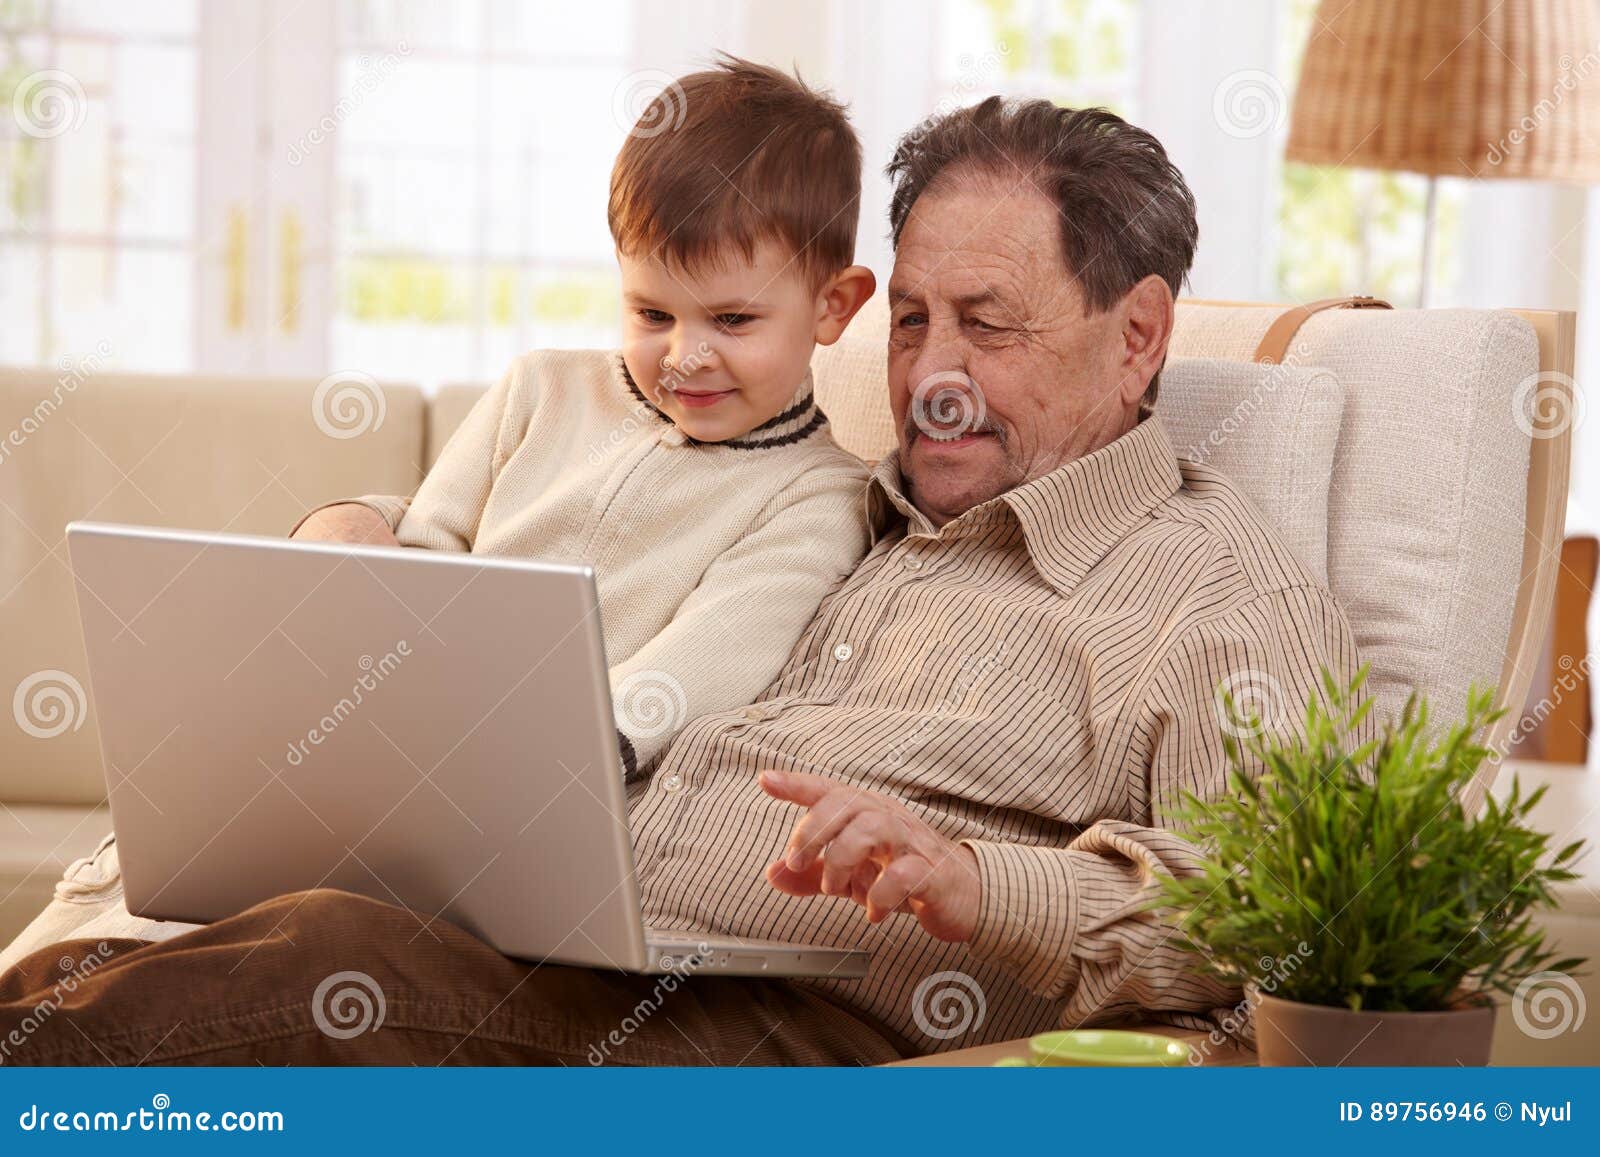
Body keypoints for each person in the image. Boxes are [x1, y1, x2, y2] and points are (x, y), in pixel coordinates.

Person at [0, 97, 1361, 1066]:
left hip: (797, 1036)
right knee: (147, 957)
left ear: (1139, 337)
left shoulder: (1216, 594)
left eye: (991, 328)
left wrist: (980, 881)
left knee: (309, 964)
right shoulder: (833, 496)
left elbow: (1295, 921)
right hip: (557, 950)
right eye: (913, 322)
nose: (932, 376)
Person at [294, 56, 877, 779]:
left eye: (732, 319)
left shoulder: (821, 495)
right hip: (405, 750)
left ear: (833, 306)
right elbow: (426, 557)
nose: (686, 356)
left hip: (554, 787)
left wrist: (536, 756)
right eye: (652, 313)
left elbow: (704, 660)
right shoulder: (539, 389)